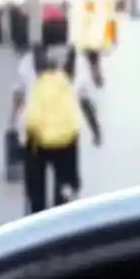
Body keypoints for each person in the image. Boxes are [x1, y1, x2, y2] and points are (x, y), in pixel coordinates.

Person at [21, 46, 101, 213]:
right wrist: (96, 130)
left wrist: (14, 124)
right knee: (65, 184)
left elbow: (19, 95)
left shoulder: (29, 61)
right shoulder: (76, 61)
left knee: (36, 191)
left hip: (36, 137)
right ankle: (61, 214)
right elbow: (85, 100)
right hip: (66, 137)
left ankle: (36, 221)